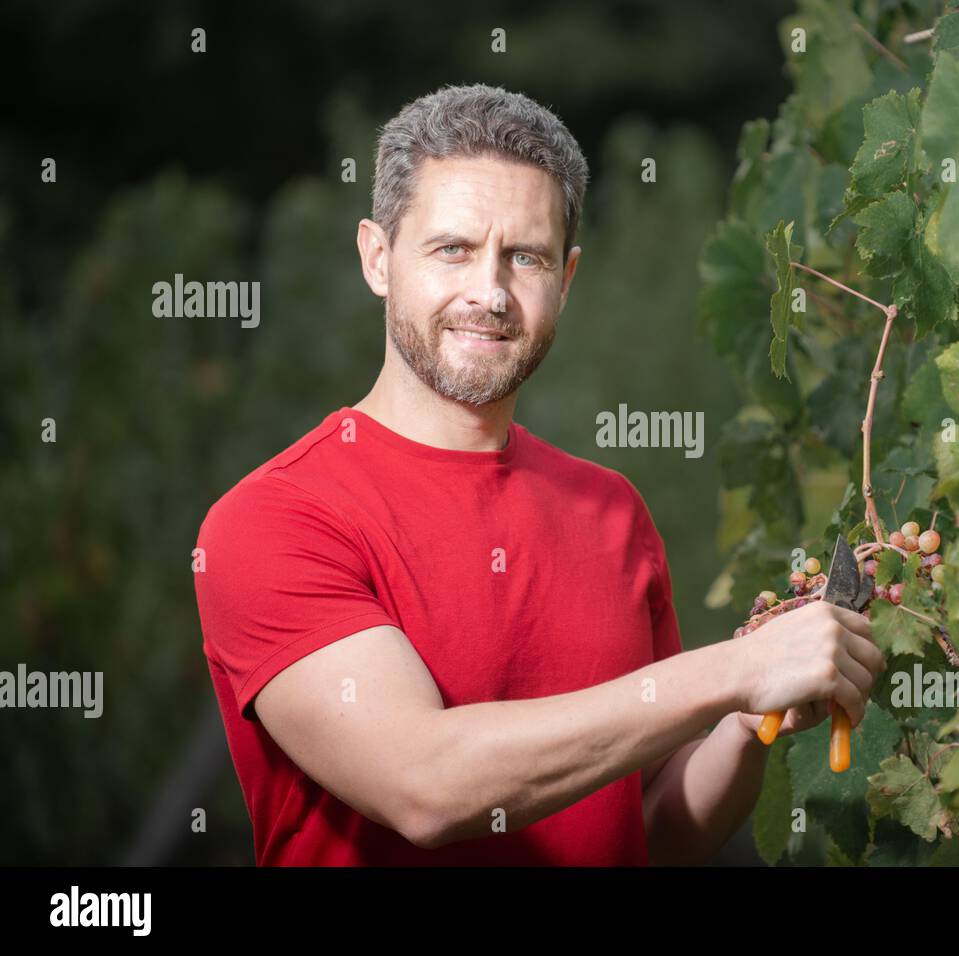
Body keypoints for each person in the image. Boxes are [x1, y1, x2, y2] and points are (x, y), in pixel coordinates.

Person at [193, 83, 884, 866]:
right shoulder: (273, 519)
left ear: (568, 277)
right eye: (452, 248)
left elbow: (651, 829)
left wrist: (748, 715)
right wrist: (733, 670)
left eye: (525, 257)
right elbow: (424, 784)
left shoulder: (611, 510)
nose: (489, 293)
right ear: (377, 258)